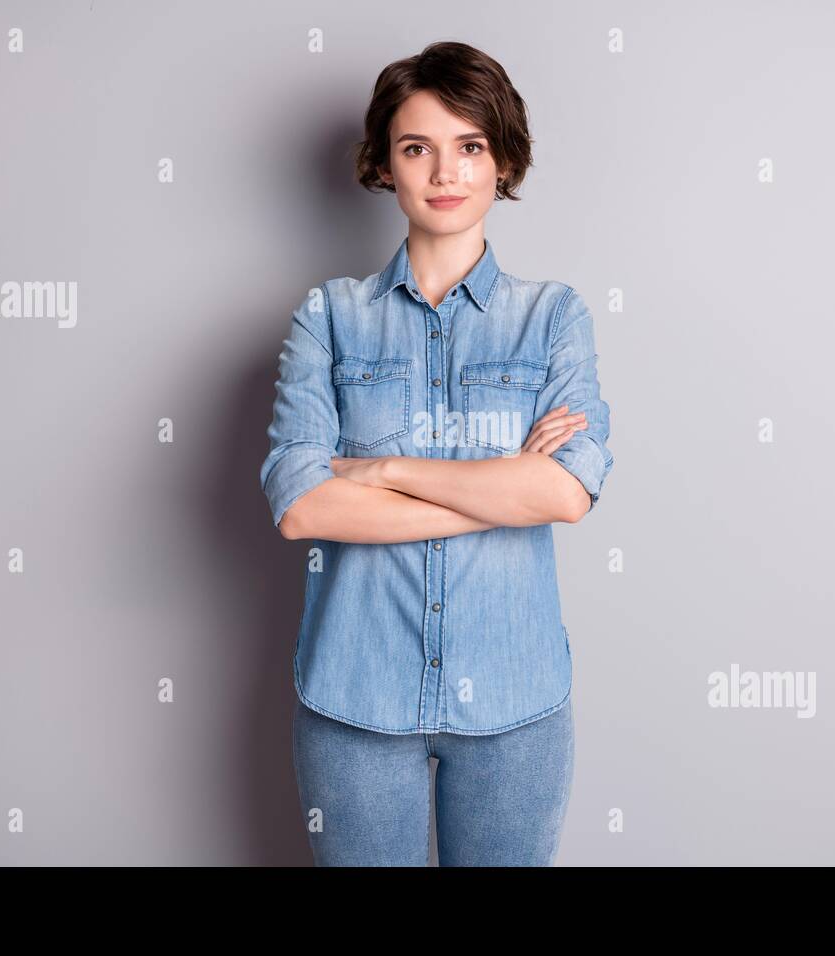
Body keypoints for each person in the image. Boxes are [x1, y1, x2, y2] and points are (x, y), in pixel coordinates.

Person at [259, 40, 613, 866]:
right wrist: (501, 487)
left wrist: (383, 471)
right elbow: (303, 505)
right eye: (418, 147)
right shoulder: (330, 317)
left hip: (516, 705)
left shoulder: (555, 318)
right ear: (386, 164)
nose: (445, 173)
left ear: (504, 161)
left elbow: (565, 492)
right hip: (353, 700)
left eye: (471, 147)